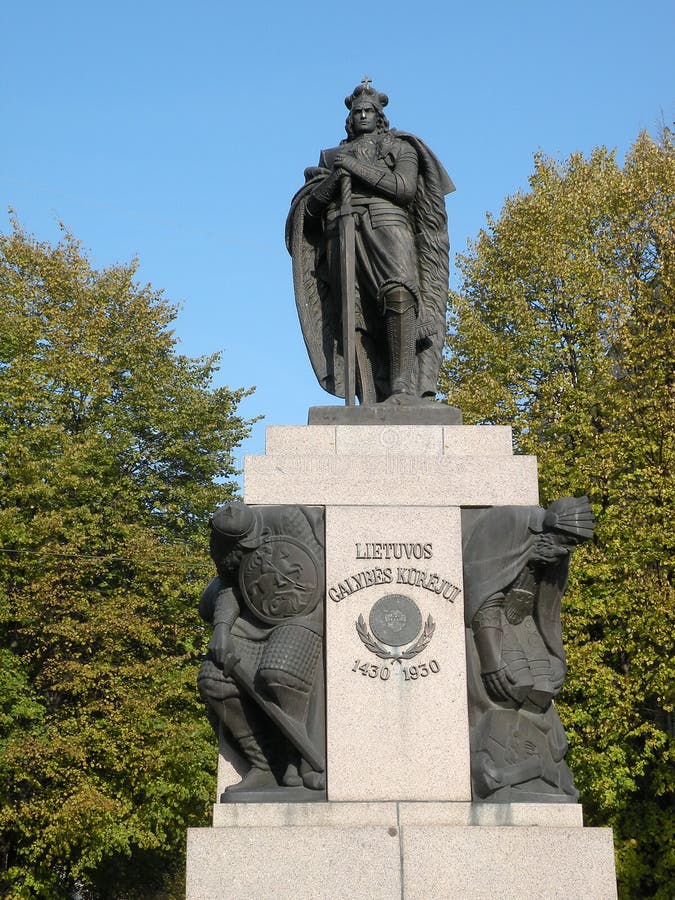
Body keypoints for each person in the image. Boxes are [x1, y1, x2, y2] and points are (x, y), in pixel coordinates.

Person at [286, 78, 454, 404]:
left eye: (369, 110)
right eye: (357, 111)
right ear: (349, 118)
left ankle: (403, 388)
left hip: (389, 226)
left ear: (380, 116)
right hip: (342, 231)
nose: (363, 115)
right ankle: (368, 394)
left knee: (399, 295)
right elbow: (312, 208)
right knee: (354, 314)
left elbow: (404, 188)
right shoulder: (331, 157)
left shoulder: (401, 147)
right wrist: (336, 176)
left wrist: (354, 168)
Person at [462, 497, 595, 801]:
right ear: (547, 528)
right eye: (564, 541)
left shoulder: (555, 551)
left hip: (523, 624)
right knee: (510, 684)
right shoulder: (505, 526)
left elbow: (547, 610)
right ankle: (502, 765)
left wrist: (556, 658)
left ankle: (538, 770)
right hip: (495, 623)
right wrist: (492, 658)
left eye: (572, 546)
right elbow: (484, 595)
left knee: (542, 688)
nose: (565, 551)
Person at [197, 502, 325, 797]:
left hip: (302, 611)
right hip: (254, 616)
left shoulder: (287, 517)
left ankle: (301, 760)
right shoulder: (224, 543)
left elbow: (314, 574)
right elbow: (229, 585)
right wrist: (222, 628)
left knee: (278, 674)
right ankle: (264, 765)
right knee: (213, 678)